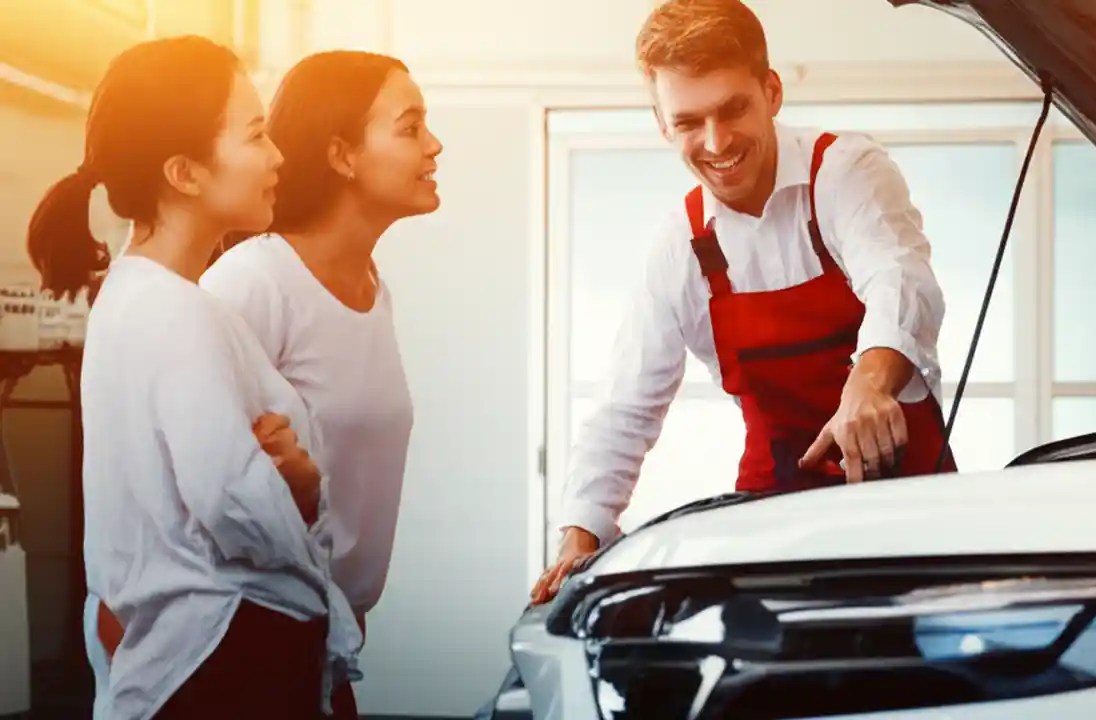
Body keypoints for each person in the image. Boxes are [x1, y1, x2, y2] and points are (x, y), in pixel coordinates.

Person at [530, 0, 956, 604]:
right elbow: (625, 408)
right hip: (773, 512)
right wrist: (579, 538)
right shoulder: (680, 246)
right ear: (661, 123)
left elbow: (901, 278)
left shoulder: (844, 171)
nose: (717, 141)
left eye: (734, 109)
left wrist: (868, 384)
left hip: (907, 502)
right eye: (688, 122)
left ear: (772, 90)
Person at [26, 36, 361, 718]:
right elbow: (235, 502)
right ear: (185, 172)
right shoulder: (172, 311)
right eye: (257, 135)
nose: (277, 157)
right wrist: (300, 489)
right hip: (223, 660)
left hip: (200, 655)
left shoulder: (144, 297)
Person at [200, 50, 439, 717]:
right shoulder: (253, 284)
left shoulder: (374, 291)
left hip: (325, 643)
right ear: (342, 155)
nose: (434, 144)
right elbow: (196, 492)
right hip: (248, 645)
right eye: (411, 126)